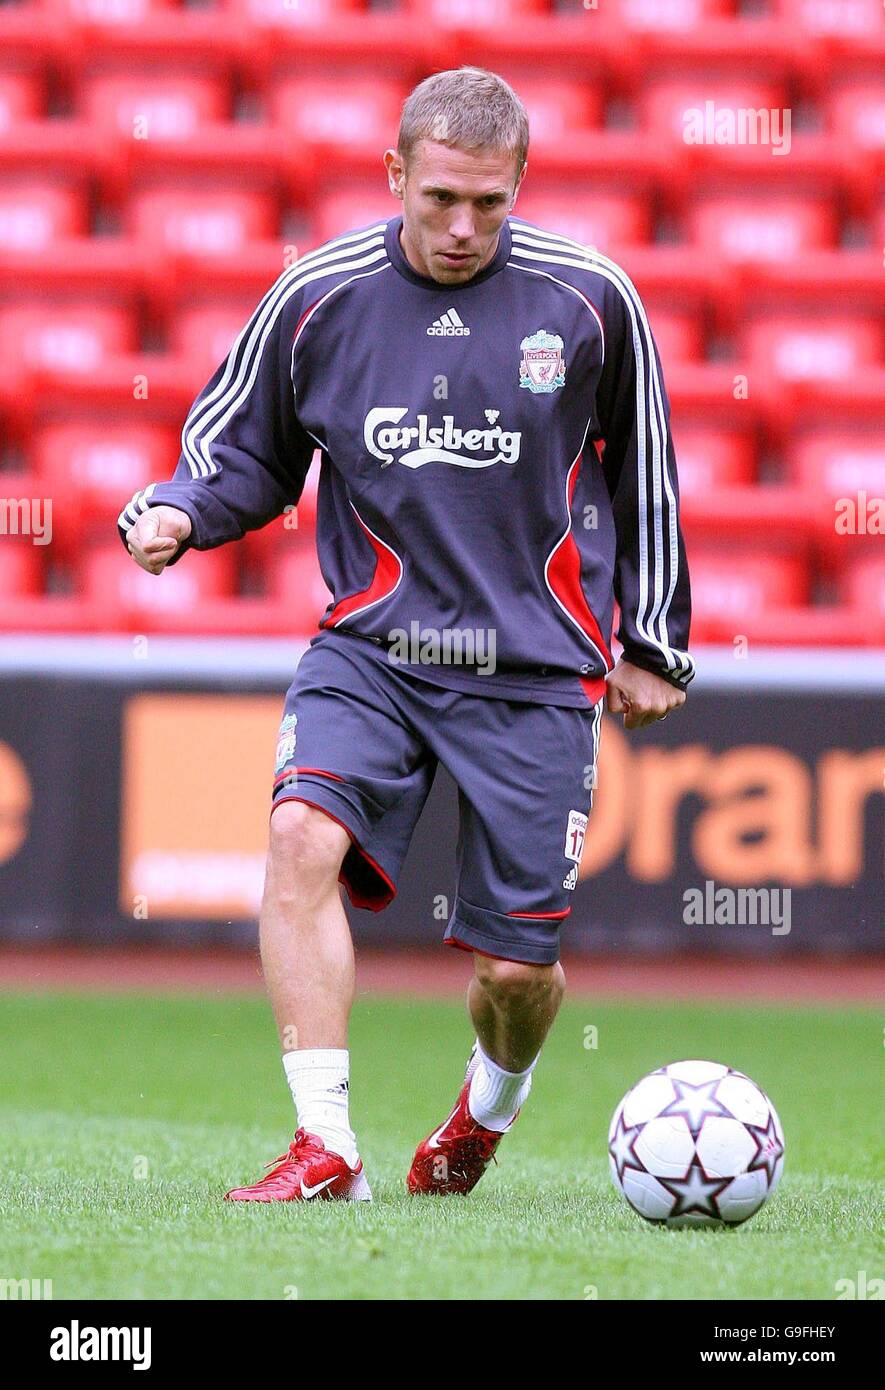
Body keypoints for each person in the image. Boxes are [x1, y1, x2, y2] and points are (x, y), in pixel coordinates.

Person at [119, 66, 693, 1203]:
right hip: (370, 652)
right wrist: (182, 506)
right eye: (440, 200)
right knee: (297, 842)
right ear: (396, 177)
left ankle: (485, 1113)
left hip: (531, 671)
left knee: (518, 971)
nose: (464, 226)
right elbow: (247, 456)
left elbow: (649, 471)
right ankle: (326, 1144)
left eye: (490, 202)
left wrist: (653, 641)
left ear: (521, 183)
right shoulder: (318, 295)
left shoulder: (592, 301)